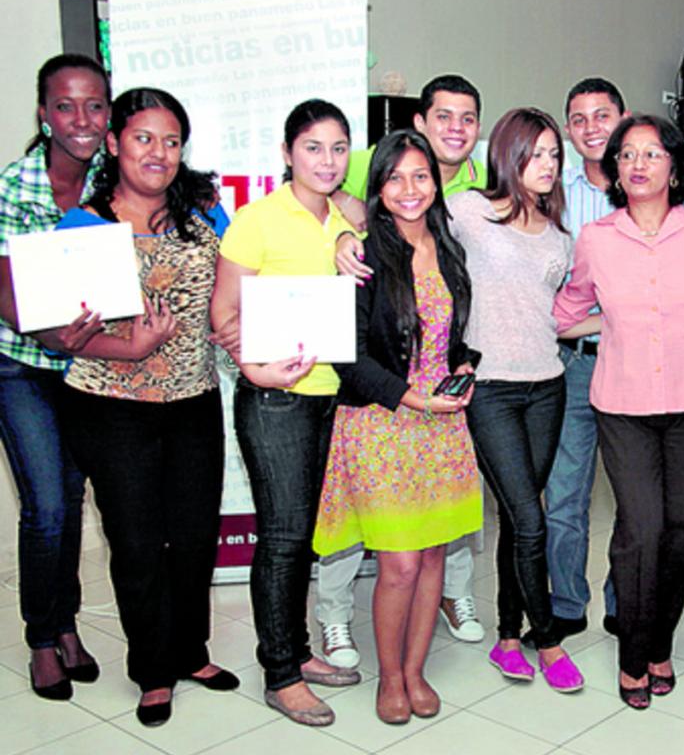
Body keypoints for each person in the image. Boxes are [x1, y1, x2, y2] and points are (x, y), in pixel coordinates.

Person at [57, 87, 239, 726]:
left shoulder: (206, 215)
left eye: (170, 141)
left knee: (192, 539)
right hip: (111, 404)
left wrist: (237, 327)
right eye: (142, 138)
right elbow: (60, 330)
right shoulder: (82, 226)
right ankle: (152, 669)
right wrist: (127, 346)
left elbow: (233, 290)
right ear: (114, 144)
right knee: (136, 545)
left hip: (193, 400)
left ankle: (190, 652)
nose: (157, 153)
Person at [553, 114, 684, 710]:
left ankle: (660, 644)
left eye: (652, 154)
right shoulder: (597, 239)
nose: (639, 164)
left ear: (675, 167)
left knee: (681, 534)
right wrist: (617, 324)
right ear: (616, 171)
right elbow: (568, 308)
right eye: (628, 155)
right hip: (623, 404)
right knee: (640, 529)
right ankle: (632, 653)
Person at [312, 129, 483, 724]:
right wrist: (413, 398)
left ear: (436, 183)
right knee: (400, 563)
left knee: (433, 556)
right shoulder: (362, 254)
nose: (409, 190)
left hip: (442, 425)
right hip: (383, 424)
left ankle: (416, 672)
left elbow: (451, 334)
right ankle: (390, 678)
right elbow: (348, 357)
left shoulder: (450, 247)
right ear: (378, 187)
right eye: (395, 178)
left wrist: (463, 364)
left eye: (420, 177)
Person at [210, 99, 360, 727]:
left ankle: (296, 652)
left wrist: (350, 230)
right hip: (275, 399)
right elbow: (222, 314)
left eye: (338, 148)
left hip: (332, 394)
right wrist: (254, 367)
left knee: (304, 539)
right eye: (313, 148)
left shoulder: (343, 216)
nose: (327, 161)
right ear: (286, 153)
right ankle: (280, 675)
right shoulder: (256, 220)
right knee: (283, 537)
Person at [446, 106, 582, 692]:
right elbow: (402, 232)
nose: (548, 165)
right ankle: (547, 640)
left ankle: (507, 639)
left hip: (547, 385)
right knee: (531, 516)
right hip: (490, 388)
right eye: (537, 154)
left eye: (555, 155)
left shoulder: (560, 237)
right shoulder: (469, 210)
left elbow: (551, 317)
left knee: (519, 518)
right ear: (509, 154)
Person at [0, 53, 111, 701]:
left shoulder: (111, 176)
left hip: (88, 365)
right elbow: (5, 288)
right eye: (65, 106)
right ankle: (42, 637)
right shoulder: (16, 185)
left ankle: (67, 624)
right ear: (44, 114)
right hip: (19, 363)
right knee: (44, 506)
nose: (81, 119)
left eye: (94, 105)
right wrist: (45, 334)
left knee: (69, 503)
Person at [539, 77, 629, 641]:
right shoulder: (551, 192)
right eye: (580, 118)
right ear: (568, 129)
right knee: (563, 495)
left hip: (632, 363)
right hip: (569, 363)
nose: (592, 127)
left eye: (603, 115)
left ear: (623, 117)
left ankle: (625, 601)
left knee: (634, 496)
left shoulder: (649, 187)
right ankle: (567, 602)